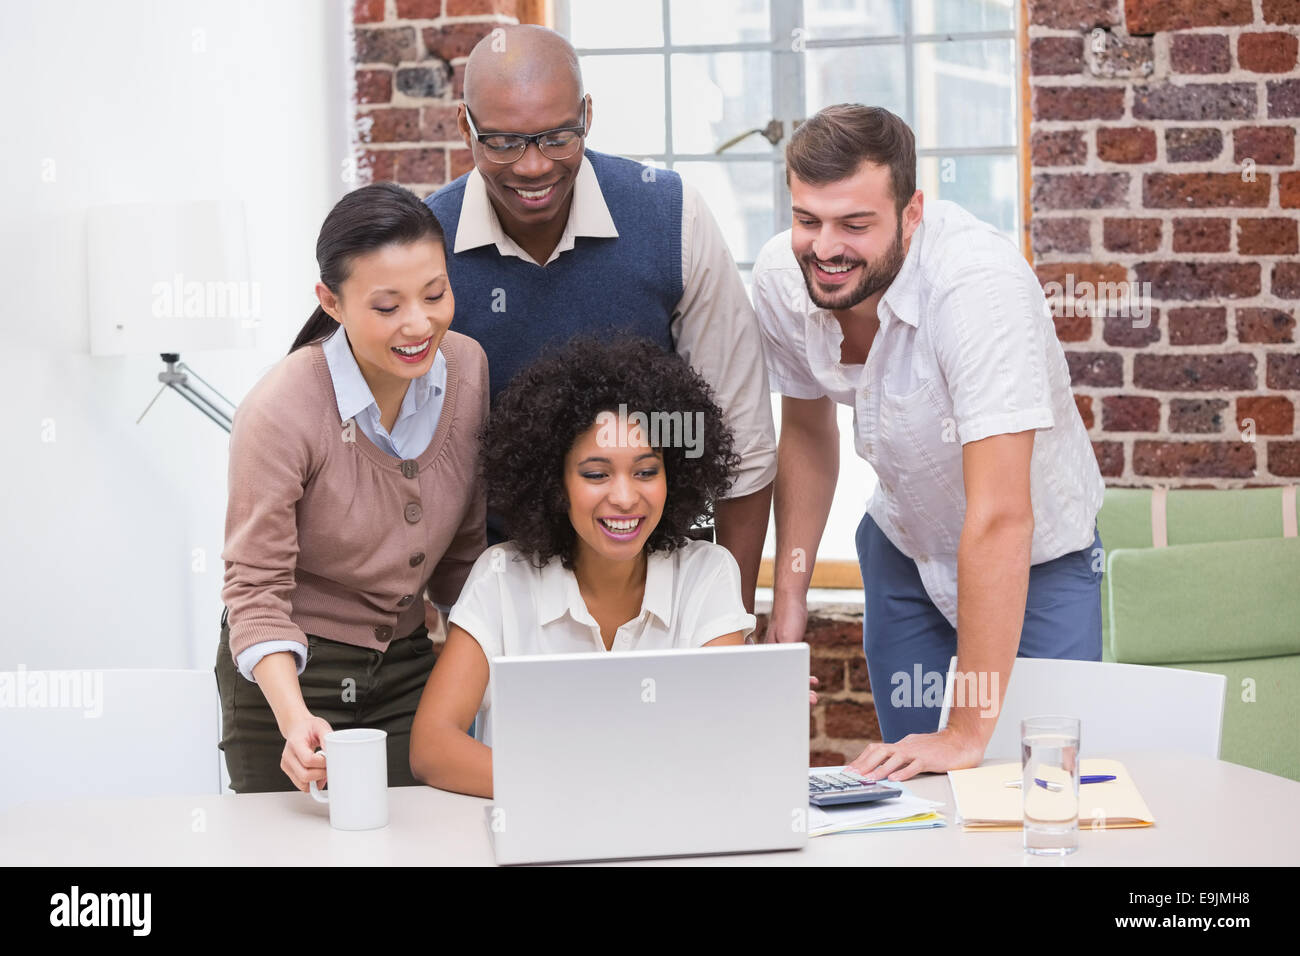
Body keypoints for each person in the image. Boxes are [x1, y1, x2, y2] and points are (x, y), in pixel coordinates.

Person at [755, 105, 1105, 781]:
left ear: (912, 213)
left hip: (1035, 560)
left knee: (1035, 783)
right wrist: (790, 595)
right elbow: (806, 426)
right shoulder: (782, 273)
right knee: (914, 790)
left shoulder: (978, 287)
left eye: (855, 225)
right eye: (807, 220)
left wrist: (968, 731)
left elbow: (1001, 516)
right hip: (906, 548)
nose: (825, 248)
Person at [424, 24, 775, 612]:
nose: (533, 167)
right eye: (504, 142)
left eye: (558, 137)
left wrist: (728, 622)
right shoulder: (424, 243)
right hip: (501, 591)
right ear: (465, 126)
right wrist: (456, 617)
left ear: (587, 115)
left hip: (666, 582)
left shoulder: (672, 217)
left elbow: (744, 444)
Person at [217, 182, 489, 793]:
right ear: (331, 302)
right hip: (288, 678)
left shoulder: (469, 369)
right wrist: (293, 720)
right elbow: (255, 592)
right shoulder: (280, 410)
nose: (419, 323)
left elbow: (465, 555)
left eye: (435, 293)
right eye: (387, 307)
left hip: (411, 669)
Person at [407, 338, 760, 799]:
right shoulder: (502, 577)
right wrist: (578, 788)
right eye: (595, 474)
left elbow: (727, 738)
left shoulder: (707, 574)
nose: (625, 497)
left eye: (646, 471)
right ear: (556, 483)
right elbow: (432, 748)